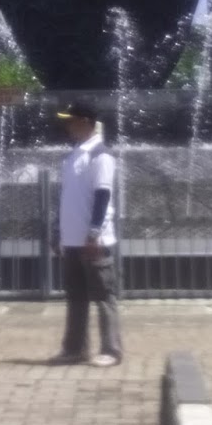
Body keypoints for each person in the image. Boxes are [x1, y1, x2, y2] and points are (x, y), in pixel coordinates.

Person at [52, 100, 122, 367]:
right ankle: (74, 349)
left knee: (104, 296)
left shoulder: (100, 154)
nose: (67, 125)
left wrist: (94, 233)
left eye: (71, 120)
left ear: (86, 122)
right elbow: (67, 198)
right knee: (76, 297)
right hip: (71, 239)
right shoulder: (74, 155)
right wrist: (59, 231)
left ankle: (111, 350)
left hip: (94, 240)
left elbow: (102, 194)